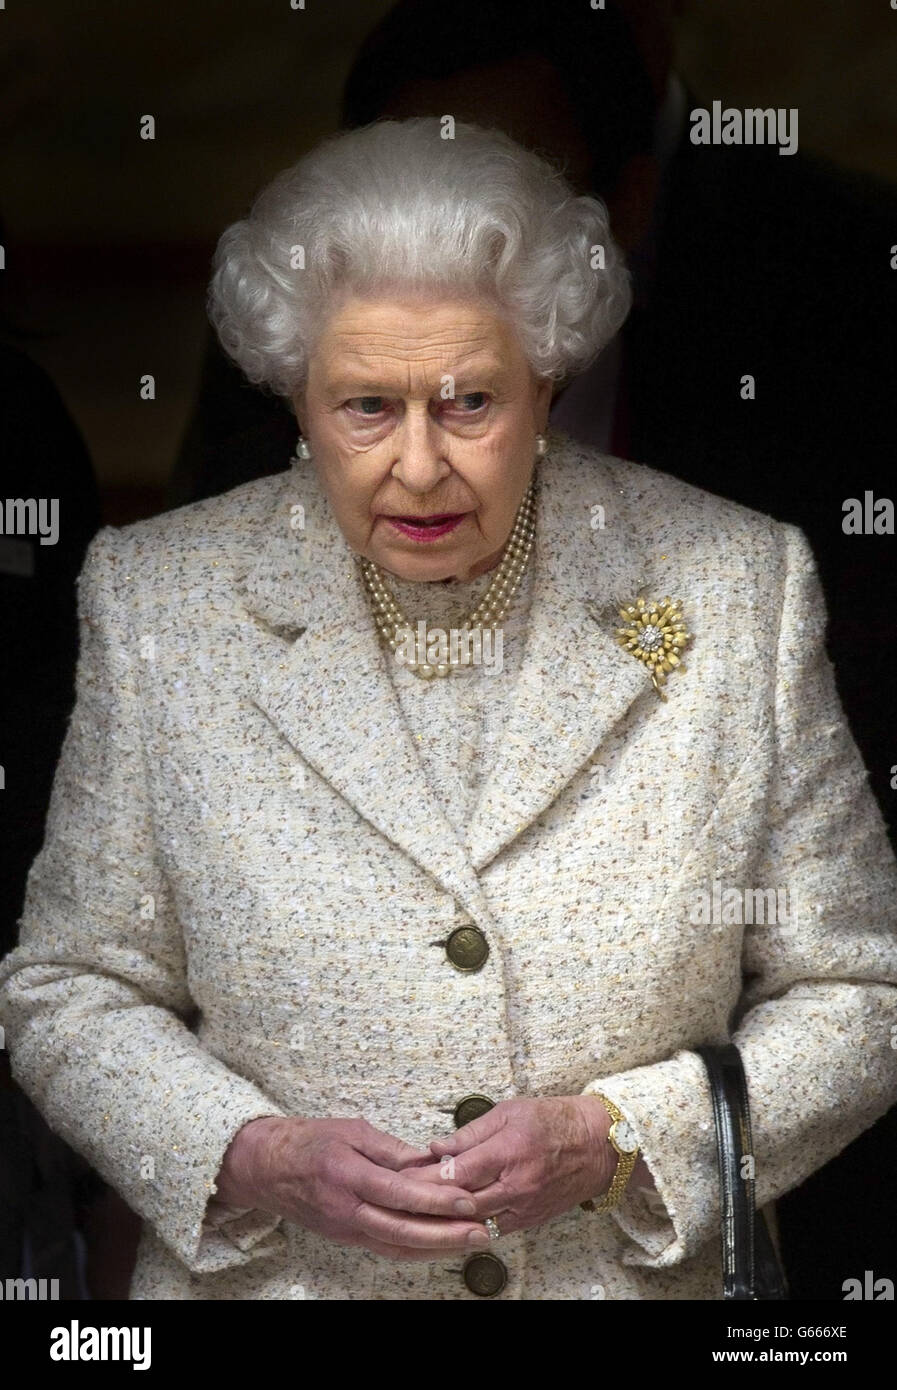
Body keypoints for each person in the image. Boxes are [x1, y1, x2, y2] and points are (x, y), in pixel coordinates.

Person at [1, 118, 895, 1300]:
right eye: (365, 406)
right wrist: (250, 1154)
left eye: (469, 401)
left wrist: (622, 1136)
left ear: (547, 378)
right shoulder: (164, 602)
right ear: (294, 395)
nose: (418, 466)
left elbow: (862, 991)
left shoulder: (729, 588)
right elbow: (70, 987)